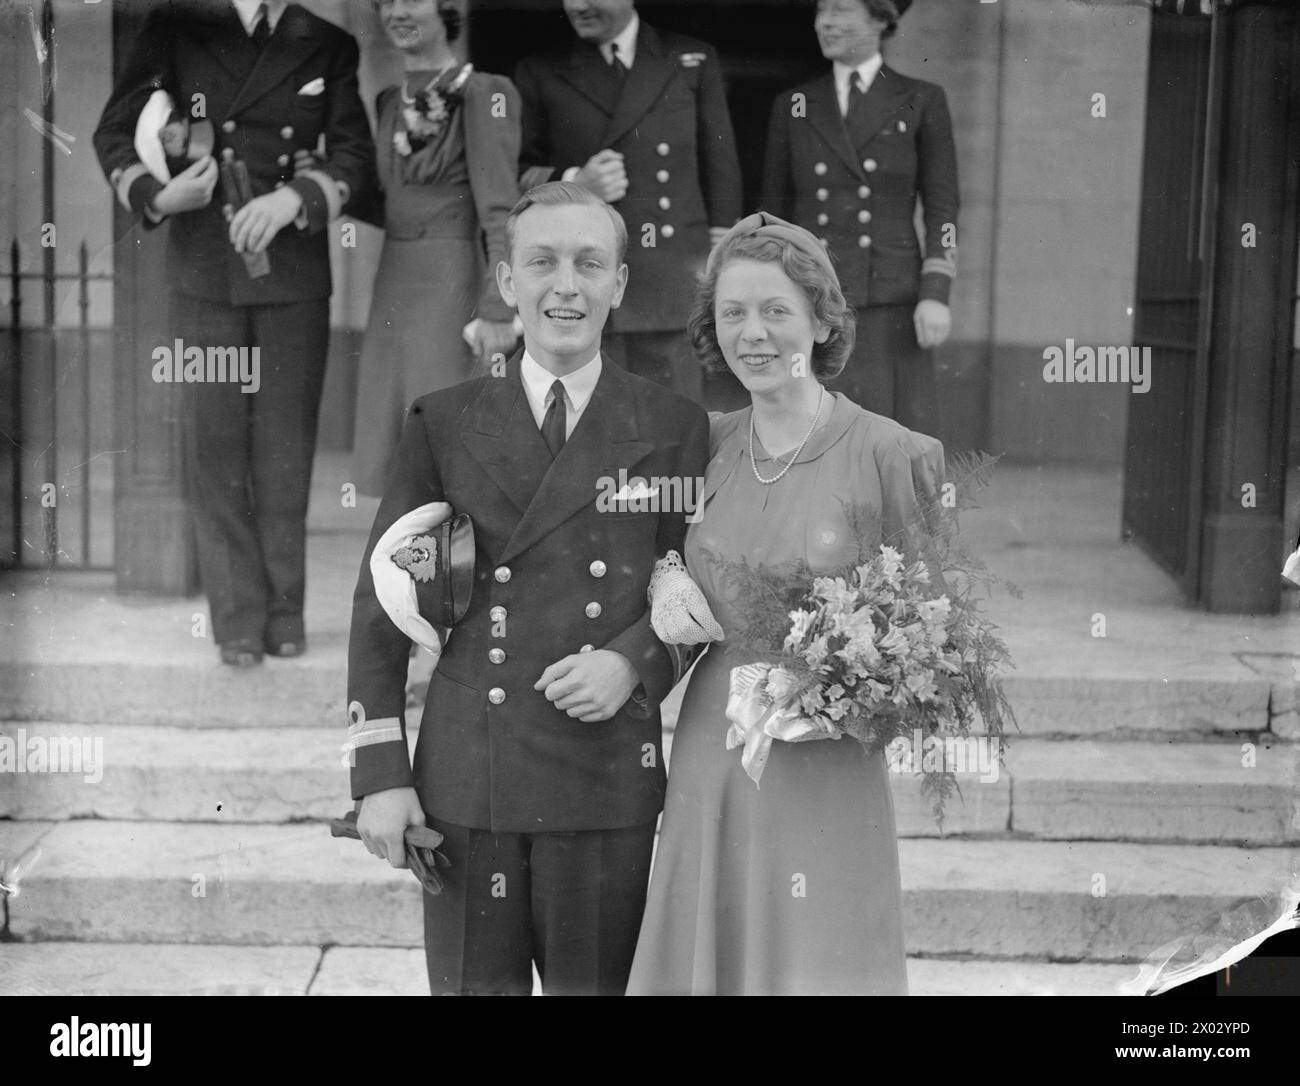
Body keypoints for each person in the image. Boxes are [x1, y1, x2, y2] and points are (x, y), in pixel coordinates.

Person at [346, 182, 710, 995]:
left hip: (605, 777)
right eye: (541, 263)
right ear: (507, 283)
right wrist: (379, 776)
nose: (565, 286)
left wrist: (633, 662)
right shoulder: (443, 420)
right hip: (471, 780)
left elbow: (693, 590)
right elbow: (381, 611)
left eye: (590, 264)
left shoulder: (675, 426)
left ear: (620, 283)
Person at [626, 211, 944, 995]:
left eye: (776, 311)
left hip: (824, 763)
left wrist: (842, 689)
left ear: (820, 321)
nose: (754, 334)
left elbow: (935, 646)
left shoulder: (892, 455)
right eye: (733, 313)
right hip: (712, 750)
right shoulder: (699, 447)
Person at [93, 0, 375, 666]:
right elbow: (113, 131)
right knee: (215, 447)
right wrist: (157, 199)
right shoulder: (174, 24)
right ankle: (237, 622)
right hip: (204, 275)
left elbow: (355, 155)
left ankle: (285, 613)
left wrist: (294, 199)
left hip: (293, 275)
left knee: (284, 449)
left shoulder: (326, 41)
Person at [514, 0, 743, 400]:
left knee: (671, 425)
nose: (578, 6)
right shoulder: (539, 70)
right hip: (582, 279)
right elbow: (515, 174)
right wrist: (575, 181)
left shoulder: (692, 58)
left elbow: (719, 166)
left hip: (671, 277)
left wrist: (720, 263)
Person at [761, 0, 957, 435]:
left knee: (895, 438)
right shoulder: (794, 104)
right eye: (820, 11)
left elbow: (943, 208)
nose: (824, 22)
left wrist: (936, 291)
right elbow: (773, 215)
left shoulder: (921, 99)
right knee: (815, 431)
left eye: (842, 9)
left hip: (892, 294)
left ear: (881, 19)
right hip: (815, 296)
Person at [351, 0, 522, 497]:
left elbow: (500, 211)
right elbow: (387, 201)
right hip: (394, 281)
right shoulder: (388, 100)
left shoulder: (485, 93)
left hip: (450, 282)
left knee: (444, 447)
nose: (397, 13)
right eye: (387, 3)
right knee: (393, 451)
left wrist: (495, 306)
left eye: (412, 0)